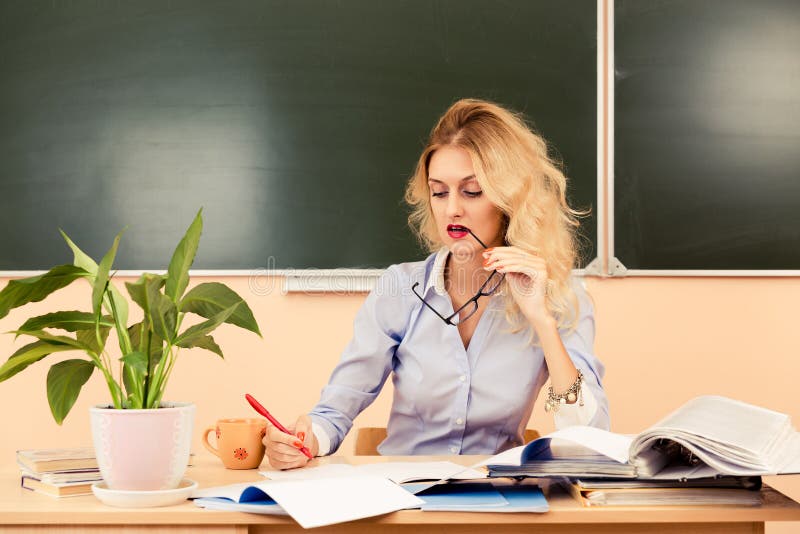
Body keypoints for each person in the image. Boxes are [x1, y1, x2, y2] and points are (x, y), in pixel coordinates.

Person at [263, 98, 610, 469]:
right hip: (404, 503)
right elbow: (335, 410)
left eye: (471, 191)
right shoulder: (400, 288)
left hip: (494, 500)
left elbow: (587, 441)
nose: (451, 209)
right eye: (439, 191)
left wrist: (541, 319)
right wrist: (305, 440)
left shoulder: (559, 297)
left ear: (510, 199)